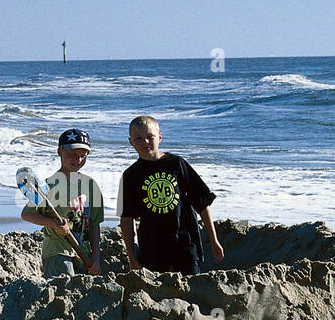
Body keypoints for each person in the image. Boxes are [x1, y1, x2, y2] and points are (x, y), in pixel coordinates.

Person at [118, 115, 224, 275]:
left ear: (159, 137)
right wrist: (132, 256)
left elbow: (202, 203)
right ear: (130, 142)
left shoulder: (177, 164)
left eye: (150, 137)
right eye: (138, 138)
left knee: (191, 291)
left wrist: (214, 240)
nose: (145, 142)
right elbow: (127, 219)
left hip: (185, 243)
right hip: (151, 248)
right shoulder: (130, 175)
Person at [20, 128, 104, 277]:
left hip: (83, 251)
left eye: (82, 156)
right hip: (56, 251)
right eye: (72, 155)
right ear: (60, 151)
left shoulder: (91, 185)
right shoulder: (49, 185)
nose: (77, 160)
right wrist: (53, 223)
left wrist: (96, 257)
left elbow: (94, 224)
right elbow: (27, 214)